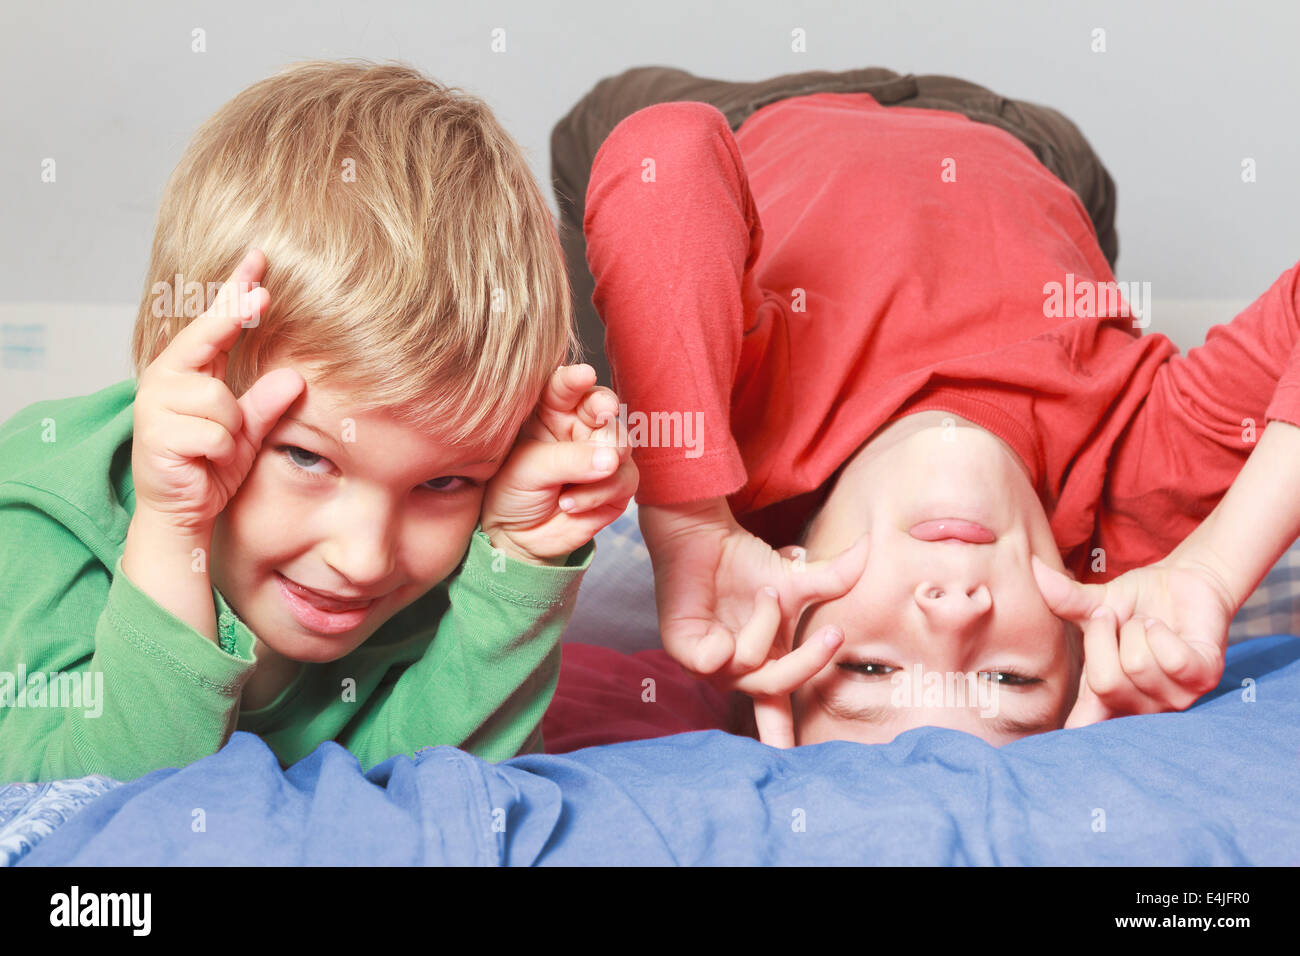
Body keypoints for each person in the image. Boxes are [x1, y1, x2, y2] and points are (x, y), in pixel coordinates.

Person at [559, 65, 1300, 747]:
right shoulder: (1139, 485)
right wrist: (1212, 571)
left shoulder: (732, 438)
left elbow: (669, 151)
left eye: (870, 669)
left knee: (622, 308)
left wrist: (683, 515)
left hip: (746, 123)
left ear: (783, 604)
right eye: (1010, 679)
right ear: (1081, 635)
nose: (953, 611)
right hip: (1021, 143)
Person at [0, 60, 636, 784]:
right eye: (307, 459)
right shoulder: (40, 526)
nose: (365, 559)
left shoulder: (447, 550)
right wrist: (172, 534)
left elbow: (439, 785)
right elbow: (86, 809)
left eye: (447, 481)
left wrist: (519, 565)